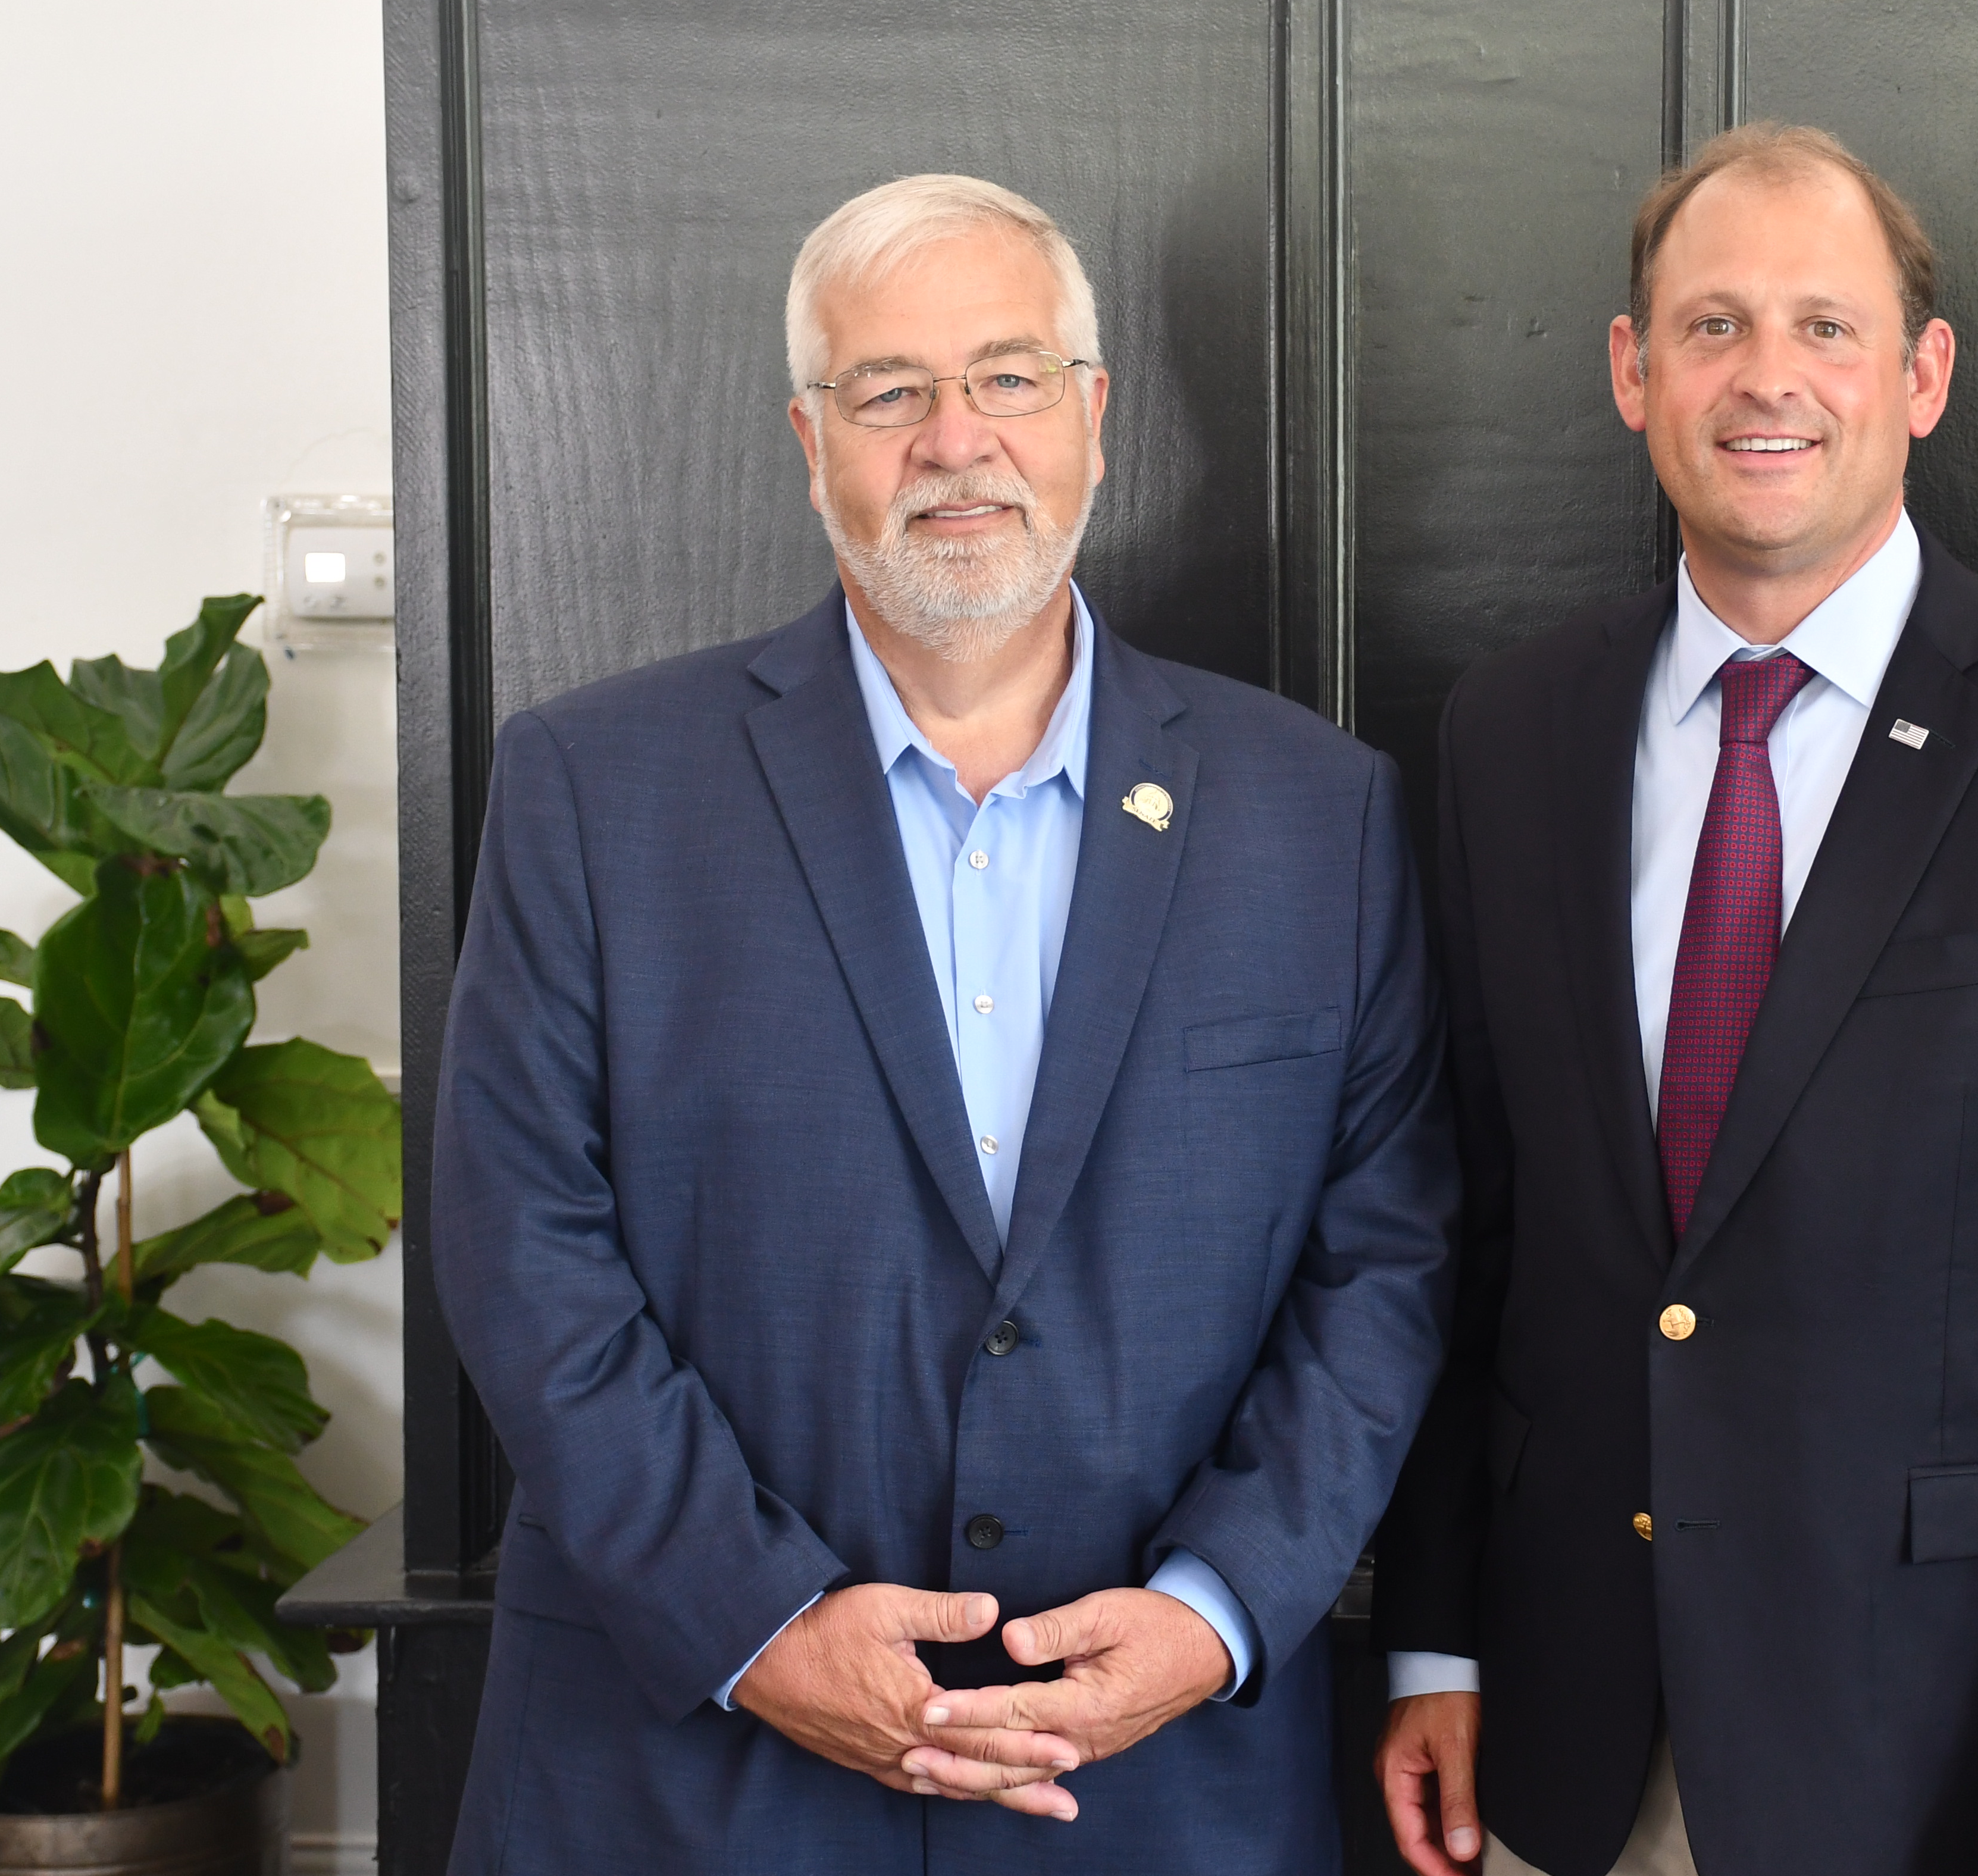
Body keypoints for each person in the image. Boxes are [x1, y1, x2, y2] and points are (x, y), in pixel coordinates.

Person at [435, 173, 1455, 1873]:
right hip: (685, 1771)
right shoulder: (594, 790)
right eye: (888, 391)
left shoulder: (1315, 813)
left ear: (1095, 417)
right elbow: (522, 1246)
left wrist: (1215, 1612)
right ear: (809, 438)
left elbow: (1388, 1262)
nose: (954, 441)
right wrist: (759, 1625)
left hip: (1159, 1789)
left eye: (1008, 376)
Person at [1369, 123, 1978, 1876]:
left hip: (1962, 1762)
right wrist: (1438, 1634)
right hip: (1566, 1747)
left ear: (1923, 376)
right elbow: (1470, 1230)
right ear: (1632, 375)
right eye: (1714, 326)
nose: (1767, 379)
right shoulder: (1509, 735)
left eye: (1826, 326)